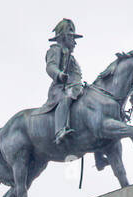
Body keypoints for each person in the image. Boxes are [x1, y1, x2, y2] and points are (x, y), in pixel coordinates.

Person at [45, 18, 85, 146]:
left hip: (75, 88)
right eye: (72, 38)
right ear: (64, 37)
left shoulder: (71, 57)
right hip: (60, 89)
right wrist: (59, 74)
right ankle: (59, 131)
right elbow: (50, 66)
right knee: (66, 97)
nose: (75, 42)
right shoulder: (55, 50)